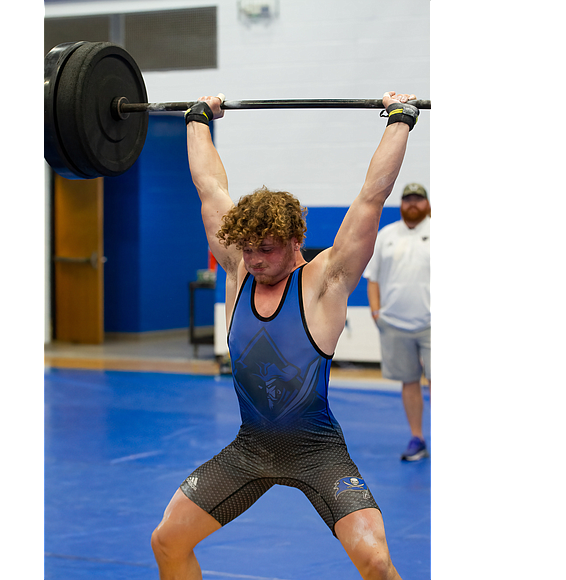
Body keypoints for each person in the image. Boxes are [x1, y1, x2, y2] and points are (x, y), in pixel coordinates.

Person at [150, 91, 420, 580]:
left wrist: (399, 119)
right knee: (167, 540)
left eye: (266, 250)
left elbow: (370, 198)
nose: (254, 260)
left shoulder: (325, 282)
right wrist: (197, 118)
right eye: (247, 250)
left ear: (295, 240)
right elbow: (210, 188)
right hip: (249, 450)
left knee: (376, 562)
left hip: (317, 452)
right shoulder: (238, 272)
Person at [364, 184, 431, 462]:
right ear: (401, 204)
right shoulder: (386, 235)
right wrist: (376, 312)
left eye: (418, 200)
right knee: (409, 381)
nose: (413, 204)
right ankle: (417, 438)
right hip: (394, 324)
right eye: (408, 200)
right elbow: (373, 277)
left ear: (426, 204)